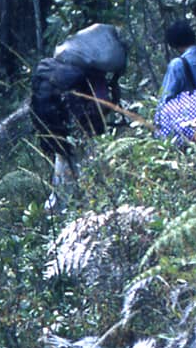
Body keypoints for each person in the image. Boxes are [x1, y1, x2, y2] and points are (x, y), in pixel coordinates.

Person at [32, 23, 128, 212]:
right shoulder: (93, 75)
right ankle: (79, 212)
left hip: (58, 130)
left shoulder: (57, 71)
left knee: (63, 172)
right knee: (83, 175)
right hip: (80, 133)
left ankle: (59, 210)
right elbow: (103, 103)